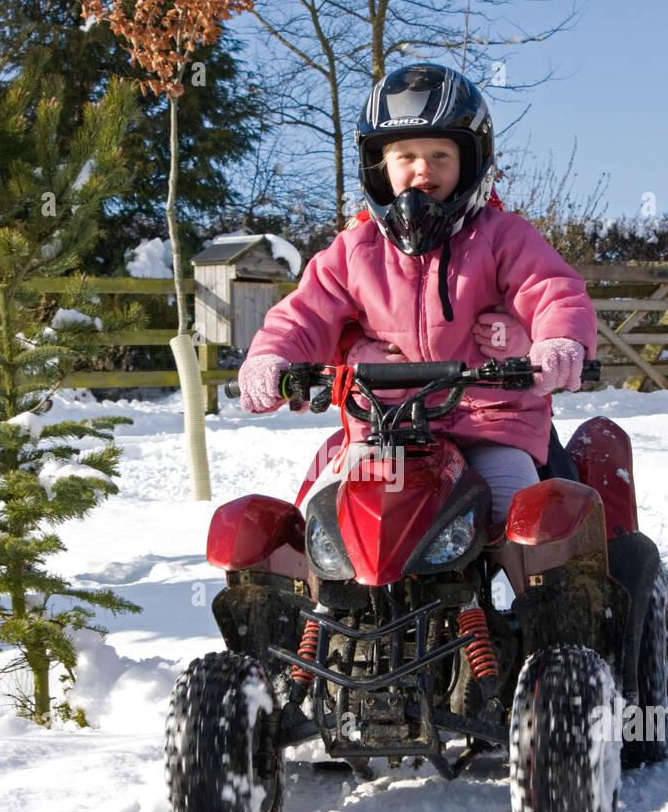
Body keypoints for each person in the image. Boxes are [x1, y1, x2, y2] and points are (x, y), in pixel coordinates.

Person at [238, 63, 596, 521]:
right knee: (322, 520)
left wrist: (556, 340)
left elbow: (552, 289)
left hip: (492, 427)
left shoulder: (503, 236)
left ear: (471, 163)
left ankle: (542, 594)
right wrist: (272, 358)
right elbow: (304, 314)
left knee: (522, 518)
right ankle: (321, 596)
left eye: (440, 155)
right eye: (404, 156)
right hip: (384, 430)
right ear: (379, 167)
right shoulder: (354, 249)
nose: (422, 169)